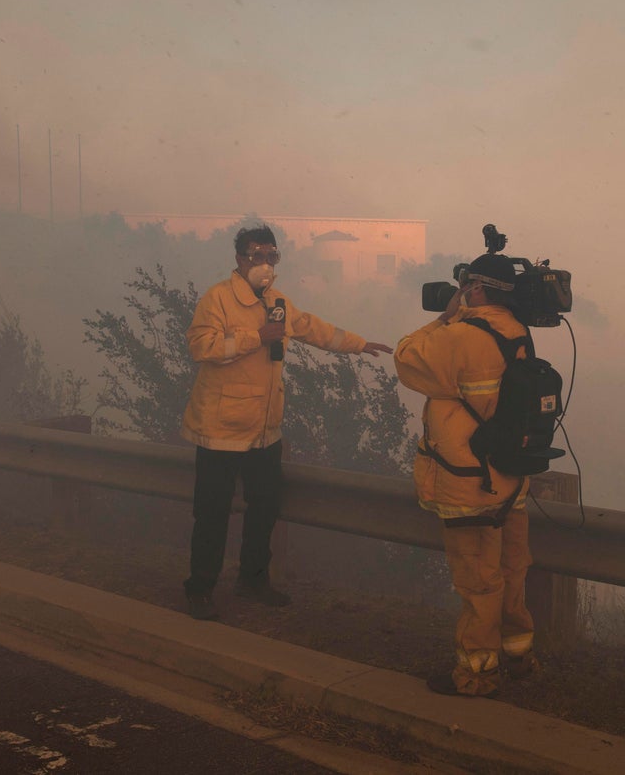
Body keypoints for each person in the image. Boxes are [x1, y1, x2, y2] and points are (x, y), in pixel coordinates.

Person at [180, 224, 393, 620]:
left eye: (271, 256)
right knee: (212, 514)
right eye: (255, 256)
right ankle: (200, 589)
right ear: (239, 259)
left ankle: (253, 580)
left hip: (265, 431)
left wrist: (360, 345)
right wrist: (256, 337)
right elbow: (201, 347)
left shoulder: (278, 302)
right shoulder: (218, 299)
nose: (264, 264)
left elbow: (313, 329)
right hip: (220, 431)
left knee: (264, 509)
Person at [393, 252, 541, 697]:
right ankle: (518, 654)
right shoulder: (516, 331)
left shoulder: (460, 336)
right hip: (510, 476)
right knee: (512, 572)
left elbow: (405, 359)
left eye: (463, 285)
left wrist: (443, 319)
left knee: (478, 583)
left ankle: (476, 675)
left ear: (475, 289)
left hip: (468, 481)